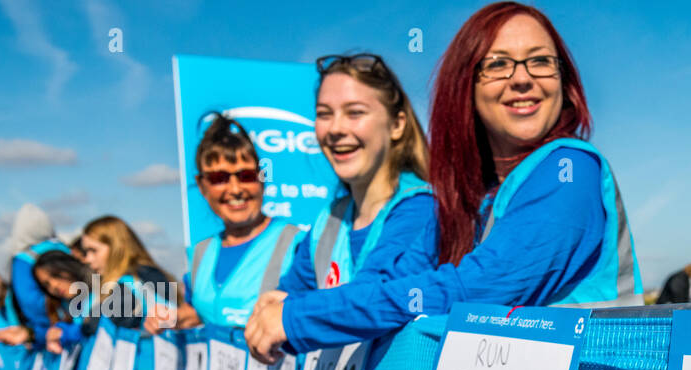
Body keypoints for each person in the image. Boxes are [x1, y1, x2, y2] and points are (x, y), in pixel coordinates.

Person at [246, 2, 643, 362]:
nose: (522, 79)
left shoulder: (570, 171)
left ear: (564, 79)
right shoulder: (472, 198)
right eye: (498, 64)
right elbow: (390, 281)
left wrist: (299, 318)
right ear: (465, 87)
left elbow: (479, 290)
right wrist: (294, 307)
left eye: (540, 62)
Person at [275, 53, 434, 302]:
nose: (336, 129)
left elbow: (371, 302)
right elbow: (286, 297)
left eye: (355, 113)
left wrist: (288, 317)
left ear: (397, 125)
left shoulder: (422, 210)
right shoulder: (328, 223)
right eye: (325, 114)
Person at [154, 114, 303, 333]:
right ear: (202, 185)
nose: (235, 189)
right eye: (219, 178)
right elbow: (202, 312)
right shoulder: (200, 253)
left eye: (246, 175)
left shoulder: (297, 244)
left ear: (262, 178)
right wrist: (170, 318)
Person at [78, 216, 187, 333]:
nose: (88, 259)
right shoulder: (128, 279)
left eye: (93, 250)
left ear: (117, 247)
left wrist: (74, 331)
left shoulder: (139, 279)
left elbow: (97, 326)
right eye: (86, 252)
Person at [0, 205, 70, 346]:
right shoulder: (65, 248)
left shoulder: (23, 260)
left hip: (47, 337)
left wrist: (32, 332)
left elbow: (29, 302)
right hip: (74, 326)